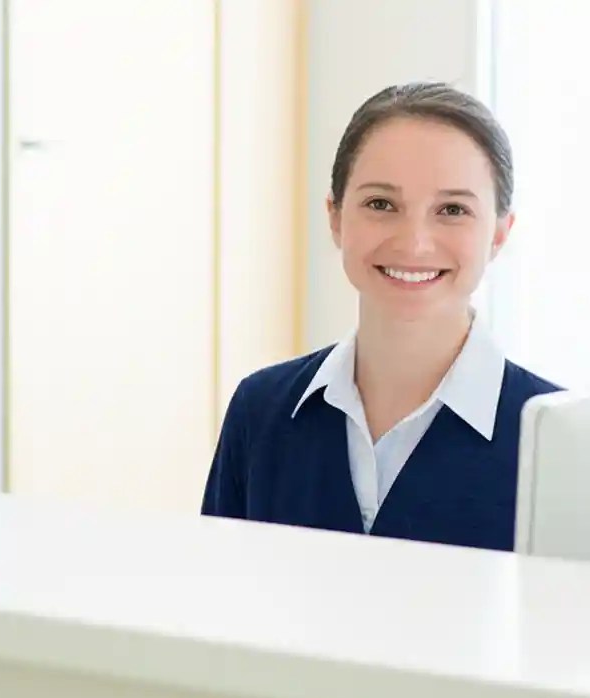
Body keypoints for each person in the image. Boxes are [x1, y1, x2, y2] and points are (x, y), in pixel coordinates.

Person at [201, 82, 562, 551]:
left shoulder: (554, 443)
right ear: (335, 217)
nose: (414, 243)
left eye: (452, 209)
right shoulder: (261, 412)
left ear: (498, 234)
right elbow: (213, 609)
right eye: (381, 204)